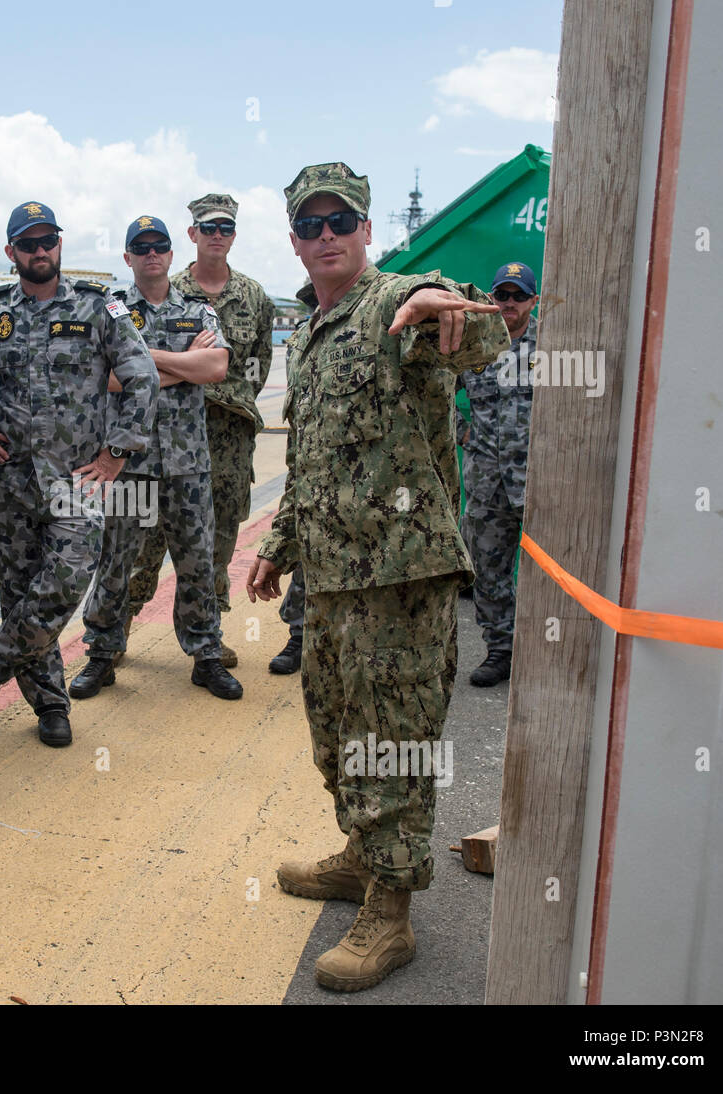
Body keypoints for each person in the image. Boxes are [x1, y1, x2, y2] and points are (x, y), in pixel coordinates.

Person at [247, 162, 508, 992]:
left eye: (341, 221)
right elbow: (313, 454)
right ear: (294, 240)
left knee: (391, 740)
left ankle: (391, 913)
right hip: (330, 577)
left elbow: (480, 332)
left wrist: (441, 312)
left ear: (366, 230)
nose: (327, 236)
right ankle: (363, 857)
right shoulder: (311, 326)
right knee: (334, 732)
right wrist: (278, 544)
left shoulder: (400, 297)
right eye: (311, 225)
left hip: (400, 577)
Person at [0, 201, 157, 747]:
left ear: (60, 245)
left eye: (48, 240)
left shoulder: (98, 308)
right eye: (28, 243)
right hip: (10, 482)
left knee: (62, 585)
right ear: (11, 252)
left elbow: (142, 378)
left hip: (76, 483)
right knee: (21, 594)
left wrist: (117, 453)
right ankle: (50, 703)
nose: (40, 250)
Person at [71, 215, 241, 701]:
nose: (151, 254)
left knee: (198, 562)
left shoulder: (197, 309)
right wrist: (178, 361)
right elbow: (104, 378)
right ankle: (102, 654)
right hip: (130, 462)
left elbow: (216, 366)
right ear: (127, 257)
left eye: (159, 246)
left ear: (170, 253)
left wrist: (144, 360)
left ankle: (206, 654)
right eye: (140, 247)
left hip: (188, 462)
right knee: (115, 562)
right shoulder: (111, 311)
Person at [127, 193, 274, 669]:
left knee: (215, 540)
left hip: (229, 436)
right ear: (191, 235)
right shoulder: (171, 289)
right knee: (143, 536)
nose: (216, 235)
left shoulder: (254, 297)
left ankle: (207, 636)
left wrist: (198, 369)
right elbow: (129, 368)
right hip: (163, 433)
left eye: (225, 228)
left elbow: (252, 368)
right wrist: (194, 368)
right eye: (208, 227)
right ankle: (118, 623)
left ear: (234, 235)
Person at [458, 261, 539, 687]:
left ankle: (546, 651)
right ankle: (500, 650)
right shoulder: (475, 342)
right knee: (488, 569)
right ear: (491, 299)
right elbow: (436, 388)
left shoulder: (554, 346)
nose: (509, 303)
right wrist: (460, 429)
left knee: (550, 573)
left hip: (540, 482)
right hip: (487, 483)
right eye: (501, 295)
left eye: (518, 296)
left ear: (533, 300)